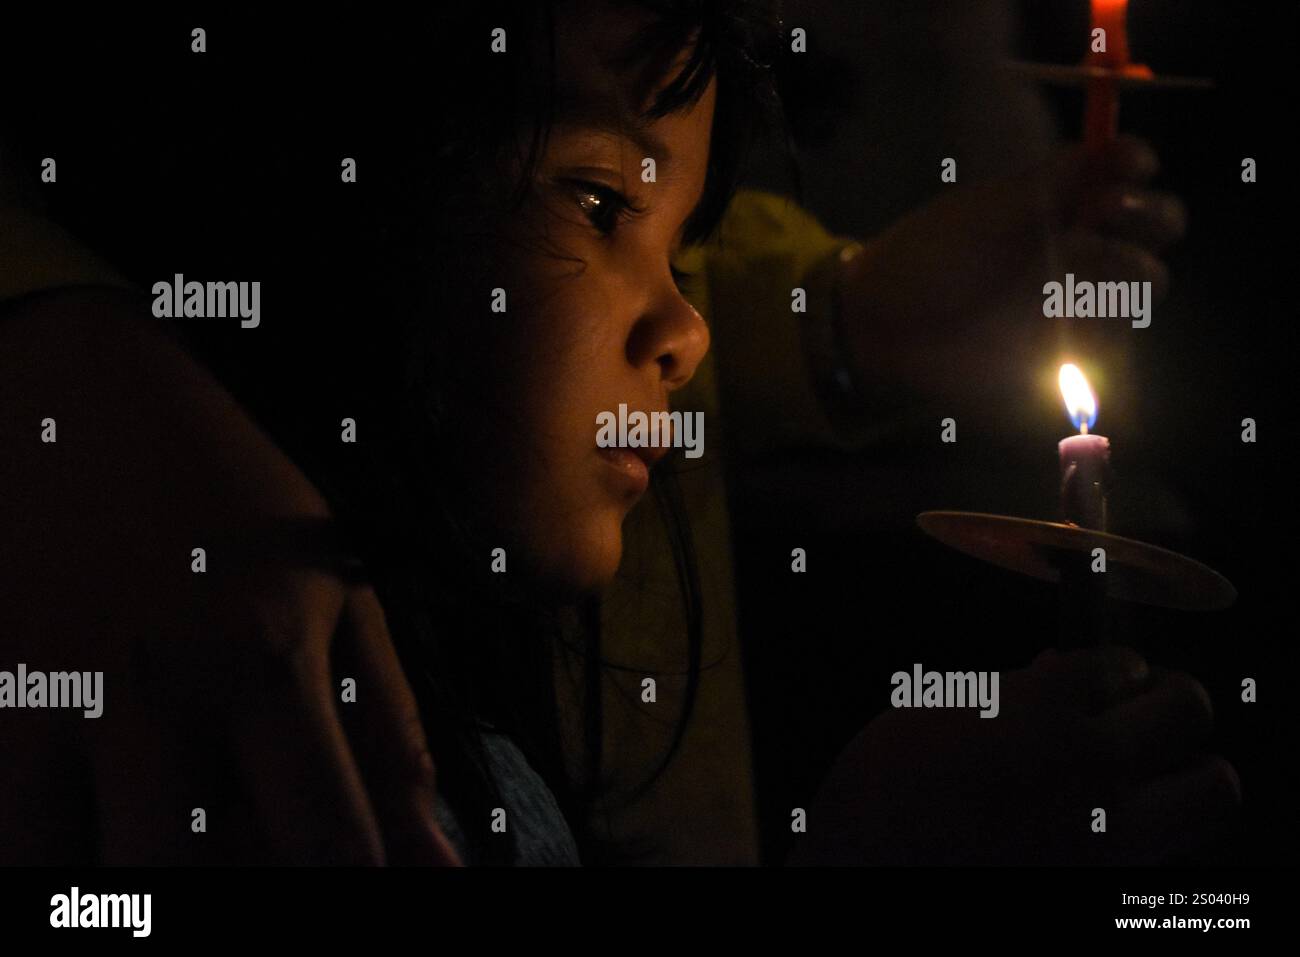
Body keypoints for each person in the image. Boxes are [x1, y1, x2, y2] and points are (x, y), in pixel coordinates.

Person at [0, 2, 1238, 866]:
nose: (689, 332)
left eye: (689, 244)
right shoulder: (268, 733)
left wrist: (837, 319)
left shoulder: (473, 736)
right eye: (602, 203)